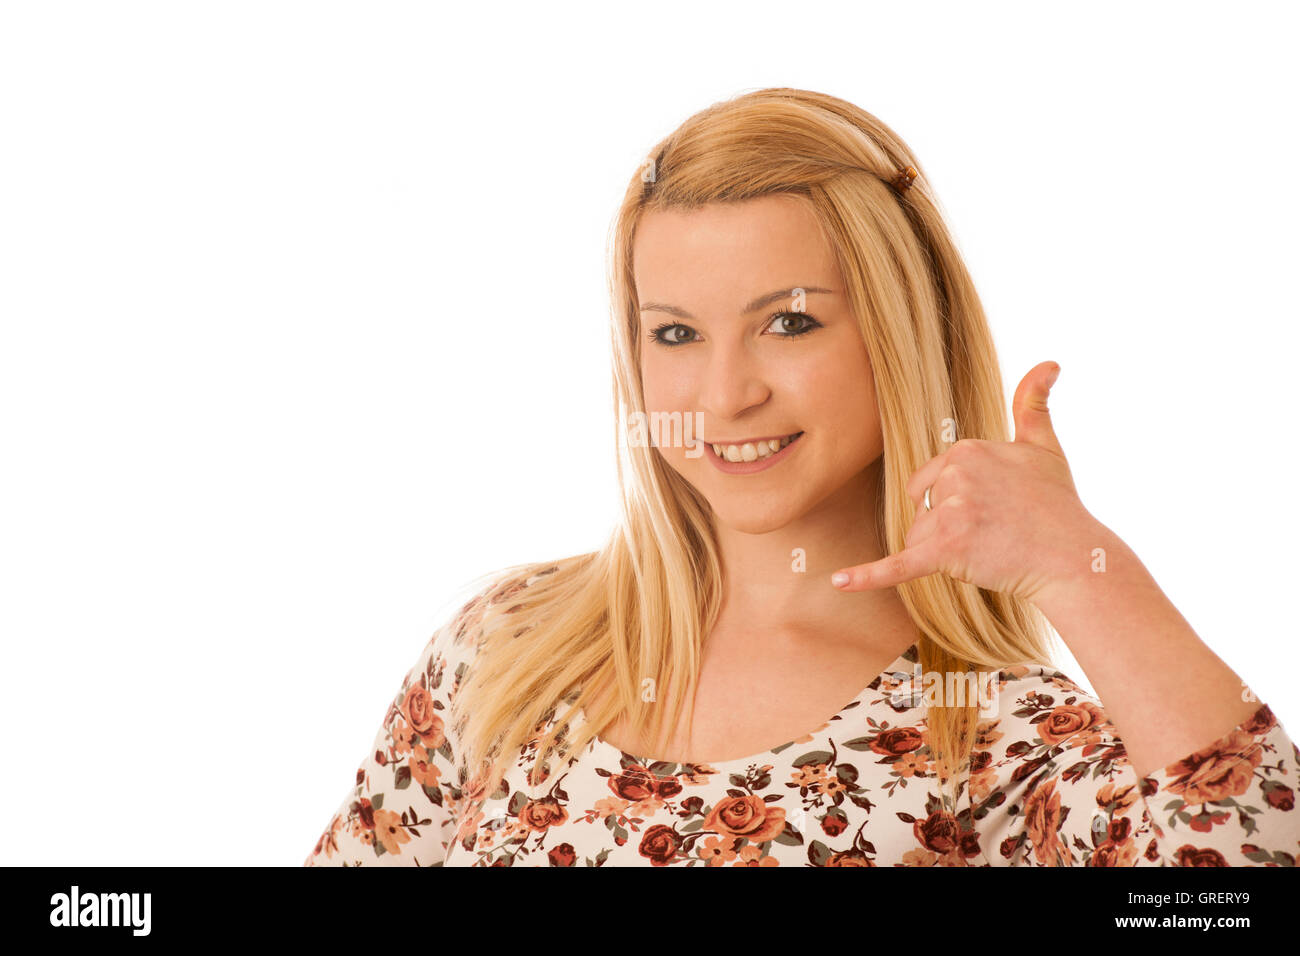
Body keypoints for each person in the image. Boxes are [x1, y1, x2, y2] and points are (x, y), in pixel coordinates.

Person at [304, 88, 1300, 867]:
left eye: (789, 321)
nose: (726, 392)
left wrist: (1084, 570)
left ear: (898, 334)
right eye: (676, 333)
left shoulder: (986, 731)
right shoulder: (506, 645)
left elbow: (1238, 862)